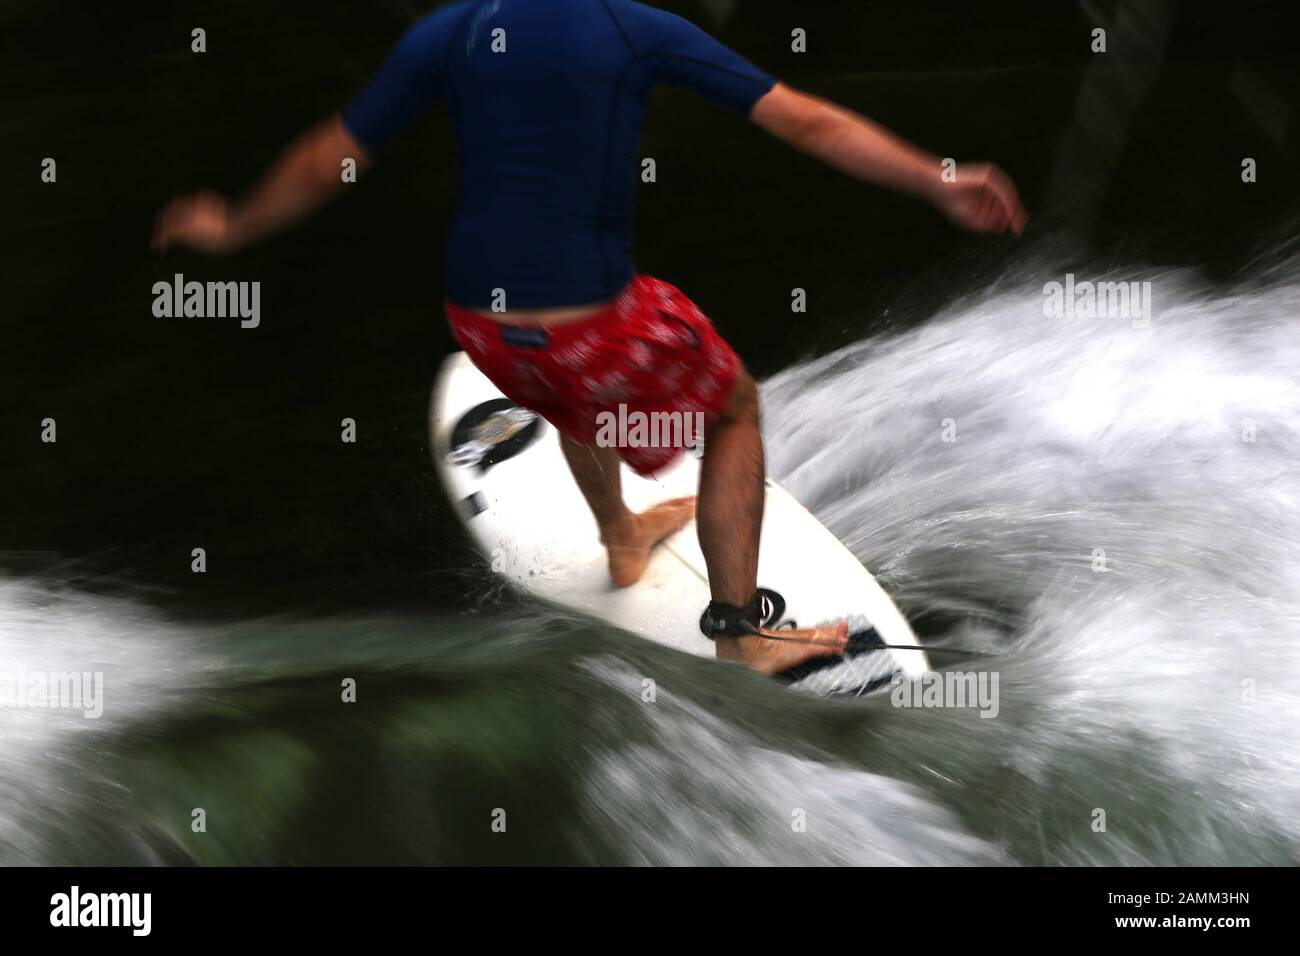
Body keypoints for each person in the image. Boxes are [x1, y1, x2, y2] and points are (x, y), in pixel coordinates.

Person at [154, 0, 1027, 675]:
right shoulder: (633, 27)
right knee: (733, 409)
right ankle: (743, 631)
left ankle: (619, 531)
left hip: (480, 326)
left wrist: (232, 225)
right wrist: (940, 177)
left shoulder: (454, 31)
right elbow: (806, 120)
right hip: (591, 326)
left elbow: (331, 155)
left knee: (573, 385)